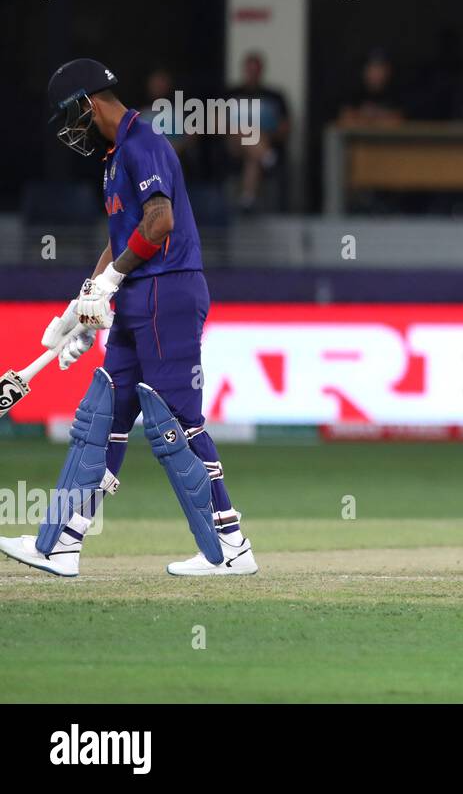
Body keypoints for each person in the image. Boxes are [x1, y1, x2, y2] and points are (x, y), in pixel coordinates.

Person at [0, 59, 257, 577]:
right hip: (139, 293)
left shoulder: (146, 145)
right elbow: (123, 238)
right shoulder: (115, 159)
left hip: (168, 291)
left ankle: (231, 545)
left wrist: (113, 281)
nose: (70, 127)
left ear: (88, 103)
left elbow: (159, 222)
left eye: (69, 114)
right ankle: (63, 542)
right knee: (104, 419)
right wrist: (84, 301)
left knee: (179, 422)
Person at [227, 50, 292, 212]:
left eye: (256, 71)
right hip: (235, 144)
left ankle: (247, 199)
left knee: (253, 157)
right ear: (244, 70)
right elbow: (218, 123)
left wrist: (264, 133)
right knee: (247, 133)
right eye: (250, 70)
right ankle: (267, 157)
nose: (252, 74)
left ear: (261, 71)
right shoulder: (231, 94)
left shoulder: (275, 96)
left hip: (264, 141)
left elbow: (285, 127)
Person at [337, 49, 404, 127]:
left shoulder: (396, 93)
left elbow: (398, 122)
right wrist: (378, 119)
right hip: (358, 138)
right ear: (365, 70)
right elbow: (346, 119)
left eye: (381, 68)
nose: (377, 73)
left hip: (386, 138)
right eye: (373, 67)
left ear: (388, 71)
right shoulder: (354, 92)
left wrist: (367, 118)